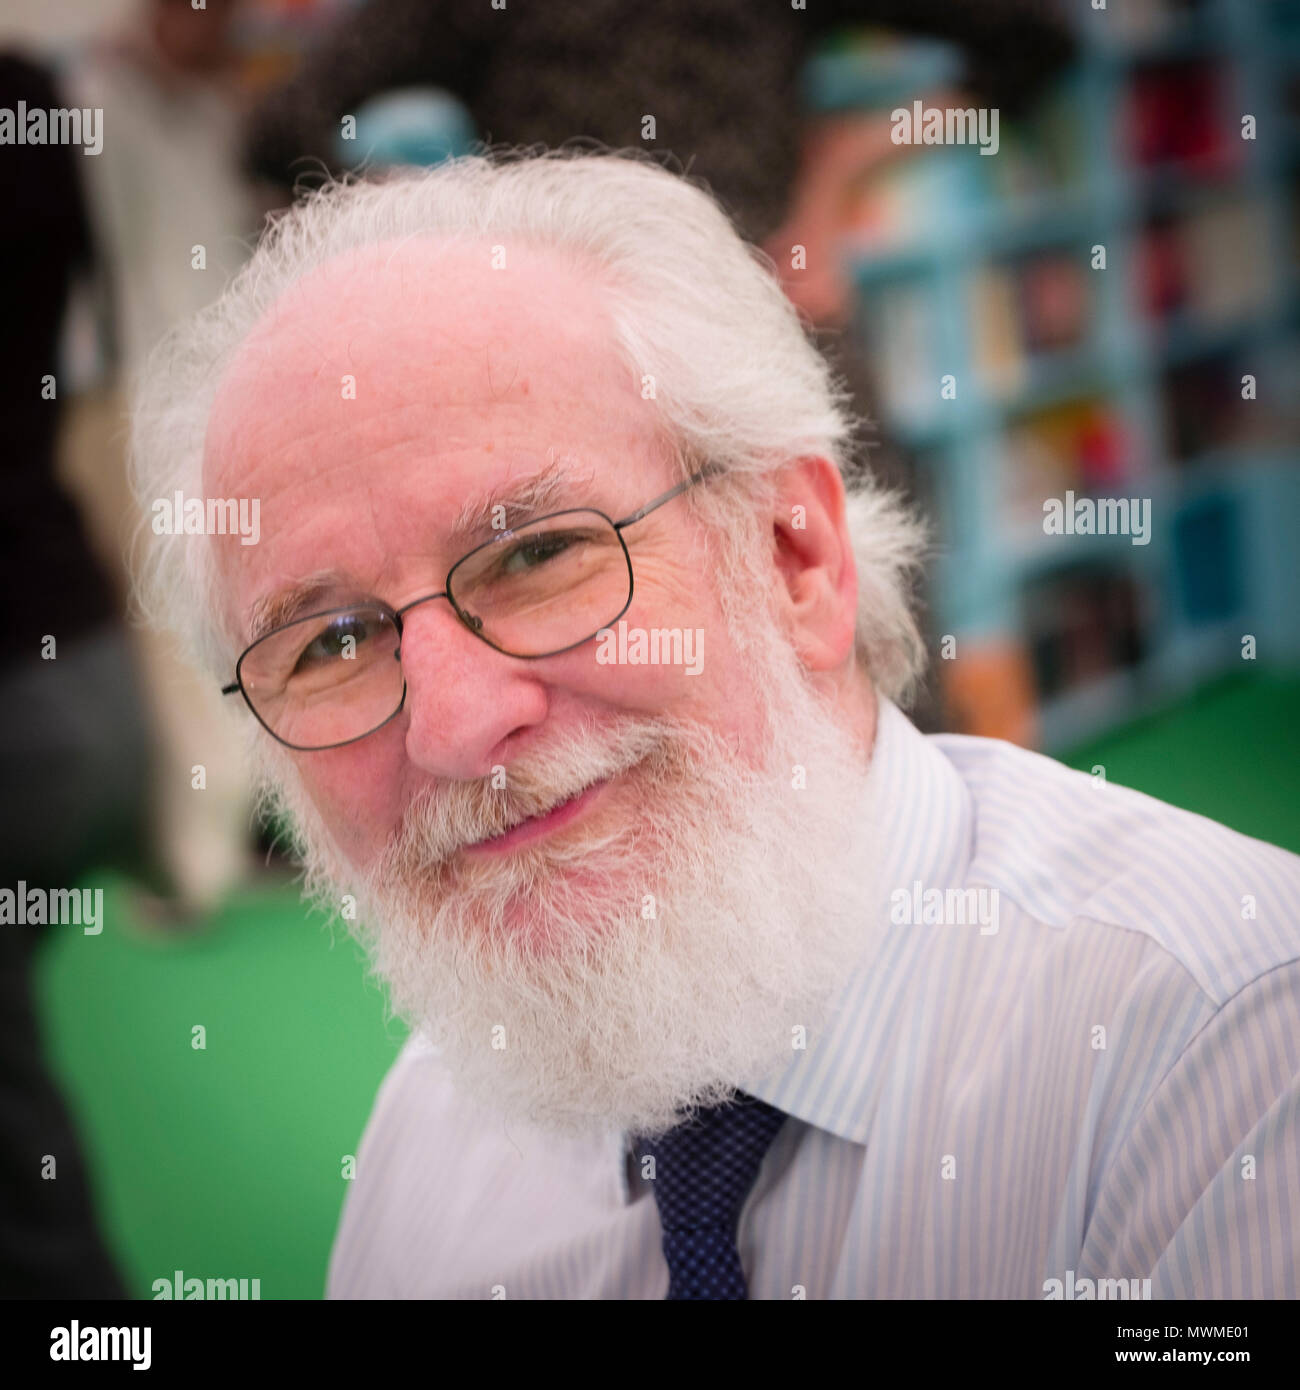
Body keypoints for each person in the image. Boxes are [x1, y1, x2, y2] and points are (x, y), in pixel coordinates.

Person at [128, 150, 1300, 1300]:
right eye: (328, 643)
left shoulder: (1225, 1048)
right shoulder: (430, 1132)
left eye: (539, 555)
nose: (452, 726)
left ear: (795, 556)